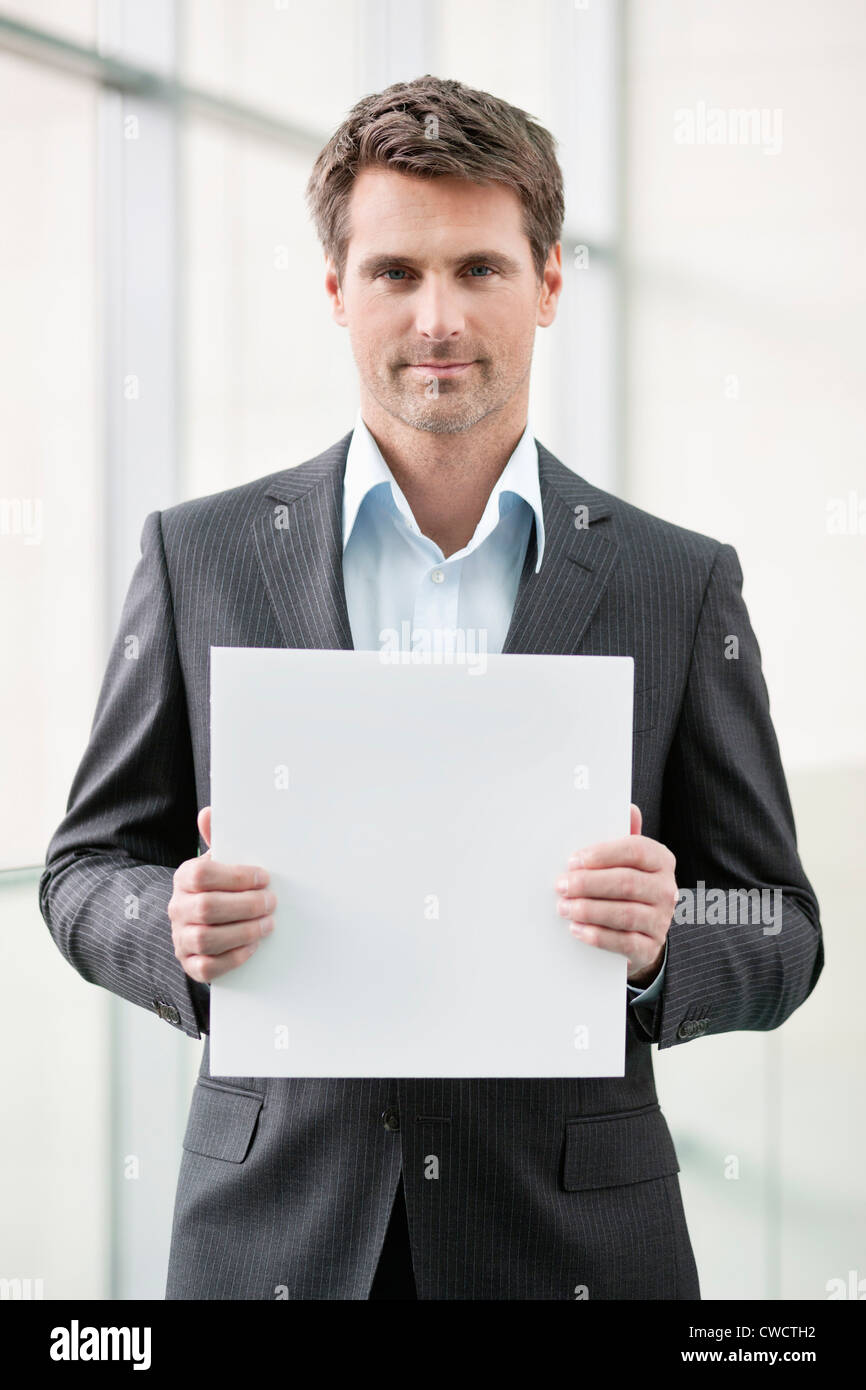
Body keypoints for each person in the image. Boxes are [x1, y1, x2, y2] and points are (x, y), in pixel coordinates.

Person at [38, 75, 823, 1301]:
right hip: (277, 1236)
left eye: (479, 268)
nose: (438, 316)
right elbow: (86, 871)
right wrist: (172, 928)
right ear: (338, 293)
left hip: (570, 1249)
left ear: (549, 281)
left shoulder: (680, 584)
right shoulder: (201, 558)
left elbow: (779, 924)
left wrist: (670, 942)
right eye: (397, 272)